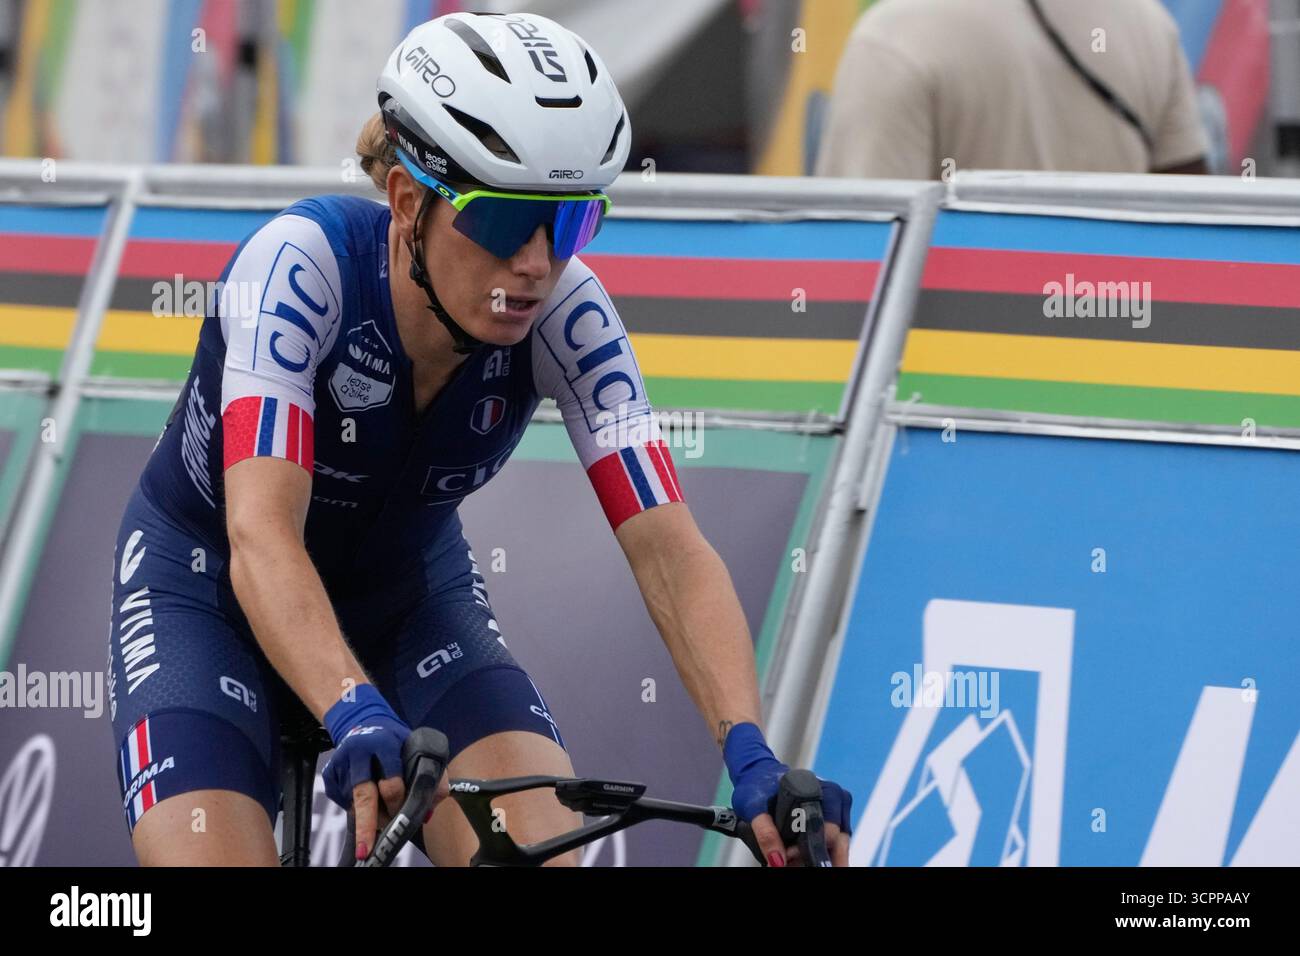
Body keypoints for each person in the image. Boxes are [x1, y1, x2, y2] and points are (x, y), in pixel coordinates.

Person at [106, 11, 852, 867]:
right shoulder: (297, 268)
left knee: (529, 858)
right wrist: (350, 705)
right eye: (504, 223)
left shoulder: (569, 312)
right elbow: (260, 535)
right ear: (407, 203)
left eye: (571, 223)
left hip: (407, 603)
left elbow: (669, 550)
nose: (537, 263)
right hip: (207, 593)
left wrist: (750, 752)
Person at [815, 0, 1209, 180]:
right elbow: (1193, 214)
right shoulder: (1147, 20)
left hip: (948, 342)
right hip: (1119, 329)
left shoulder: (892, 38)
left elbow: (855, 252)